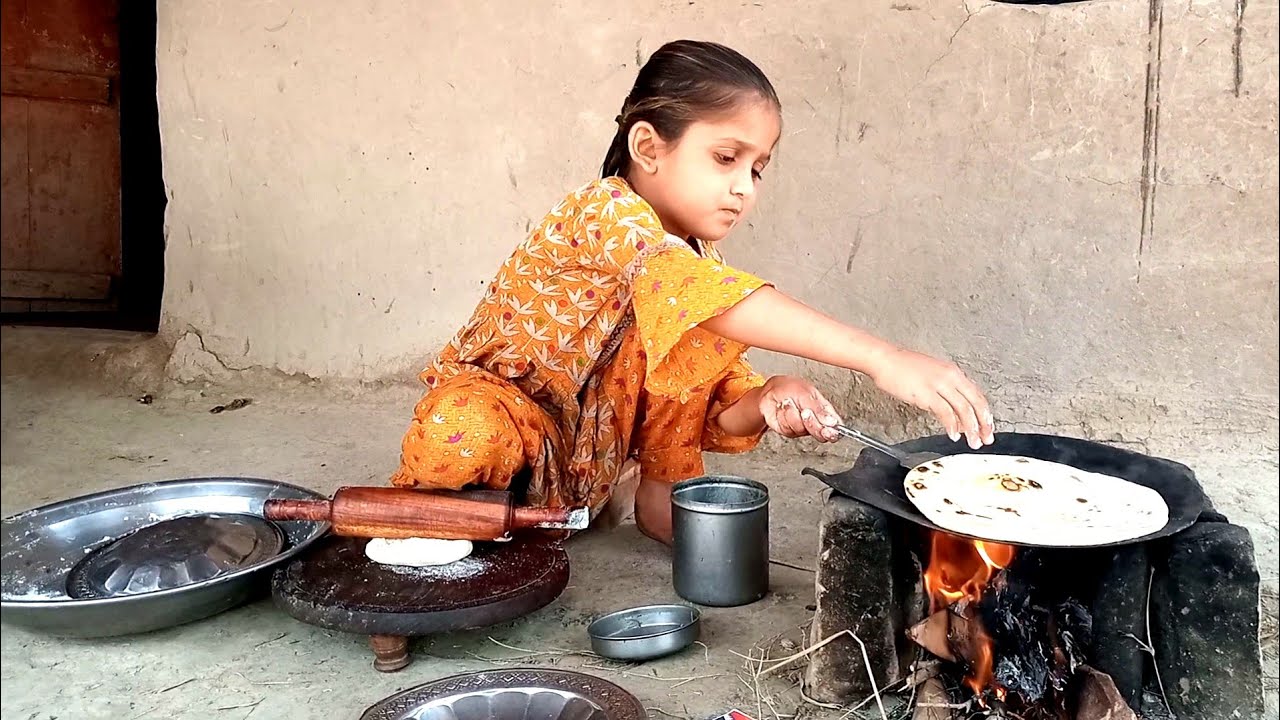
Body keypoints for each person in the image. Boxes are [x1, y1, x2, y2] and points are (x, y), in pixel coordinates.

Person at [390, 39, 994, 544]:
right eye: (726, 158)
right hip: (511, 428)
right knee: (461, 430)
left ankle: (644, 499)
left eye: (756, 169)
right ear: (649, 148)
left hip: (579, 471)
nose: (744, 189)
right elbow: (696, 290)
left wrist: (768, 399)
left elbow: (717, 398)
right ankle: (460, 518)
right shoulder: (606, 213)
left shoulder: (698, 263)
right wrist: (881, 358)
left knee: (688, 344)